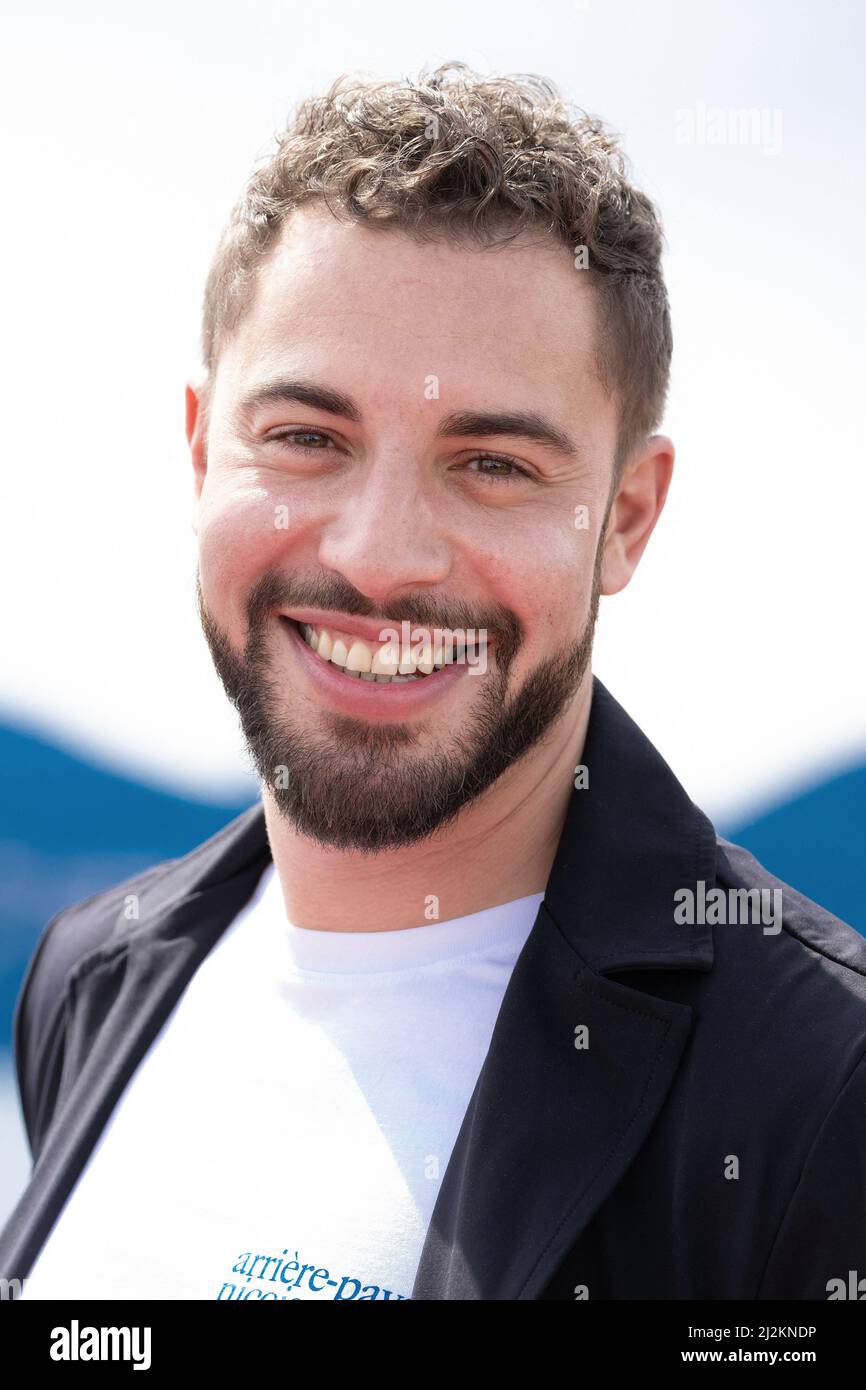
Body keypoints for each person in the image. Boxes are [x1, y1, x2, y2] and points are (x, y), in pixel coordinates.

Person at [3, 61, 865, 1302]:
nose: (376, 556)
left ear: (624, 517)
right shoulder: (90, 972)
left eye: (493, 464)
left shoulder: (816, 1094)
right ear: (201, 452)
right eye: (305, 438)